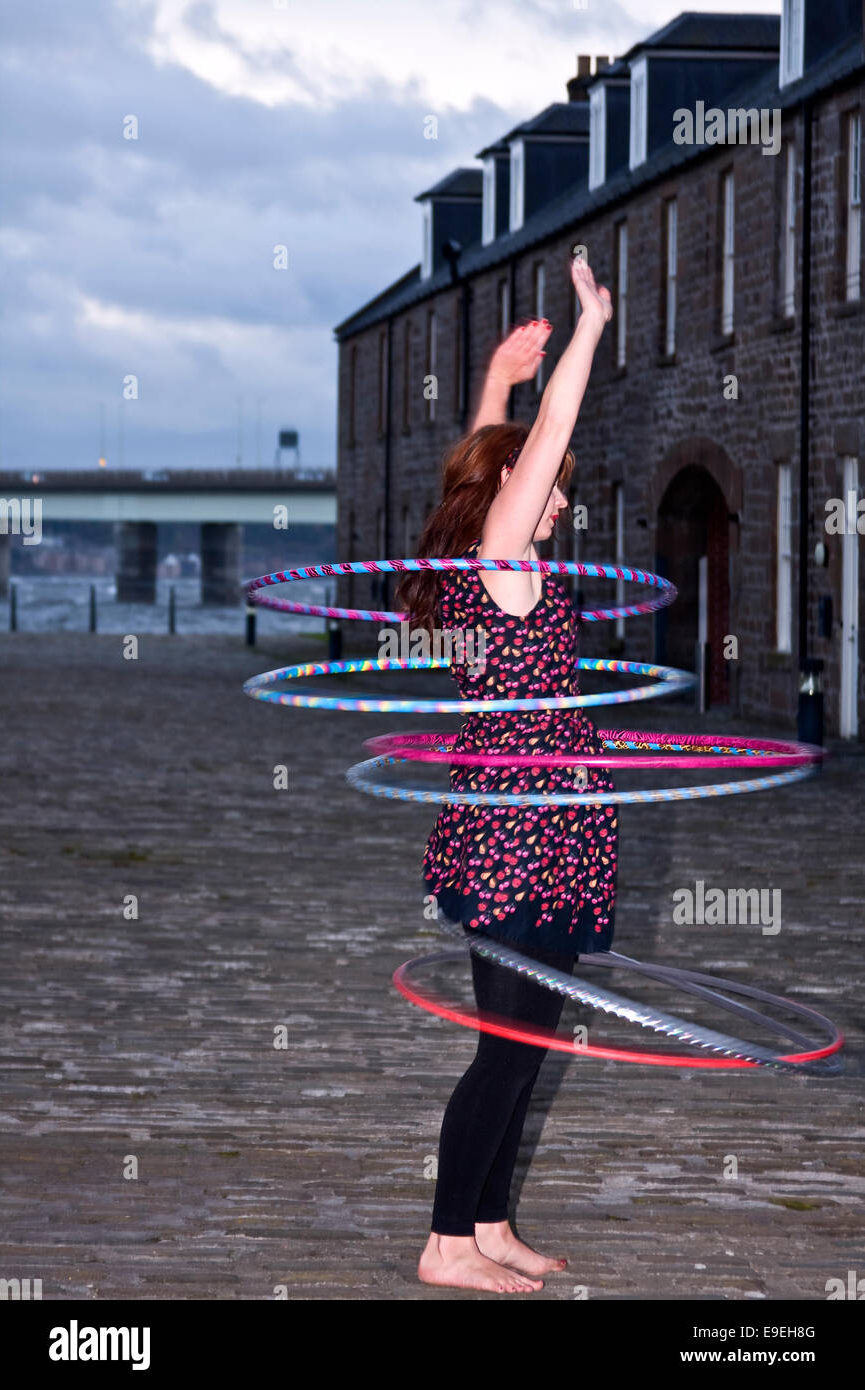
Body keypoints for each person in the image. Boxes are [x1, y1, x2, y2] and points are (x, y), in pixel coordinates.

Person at [394, 258, 618, 1294]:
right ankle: (445, 1243)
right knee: (505, 1046)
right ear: (511, 493)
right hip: (521, 829)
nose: (558, 493)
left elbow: (483, 464)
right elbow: (532, 452)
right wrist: (584, 334)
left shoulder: (480, 559)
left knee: (525, 1043)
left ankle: (487, 1221)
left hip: (534, 822)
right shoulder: (501, 560)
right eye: (546, 482)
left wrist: (493, 382)